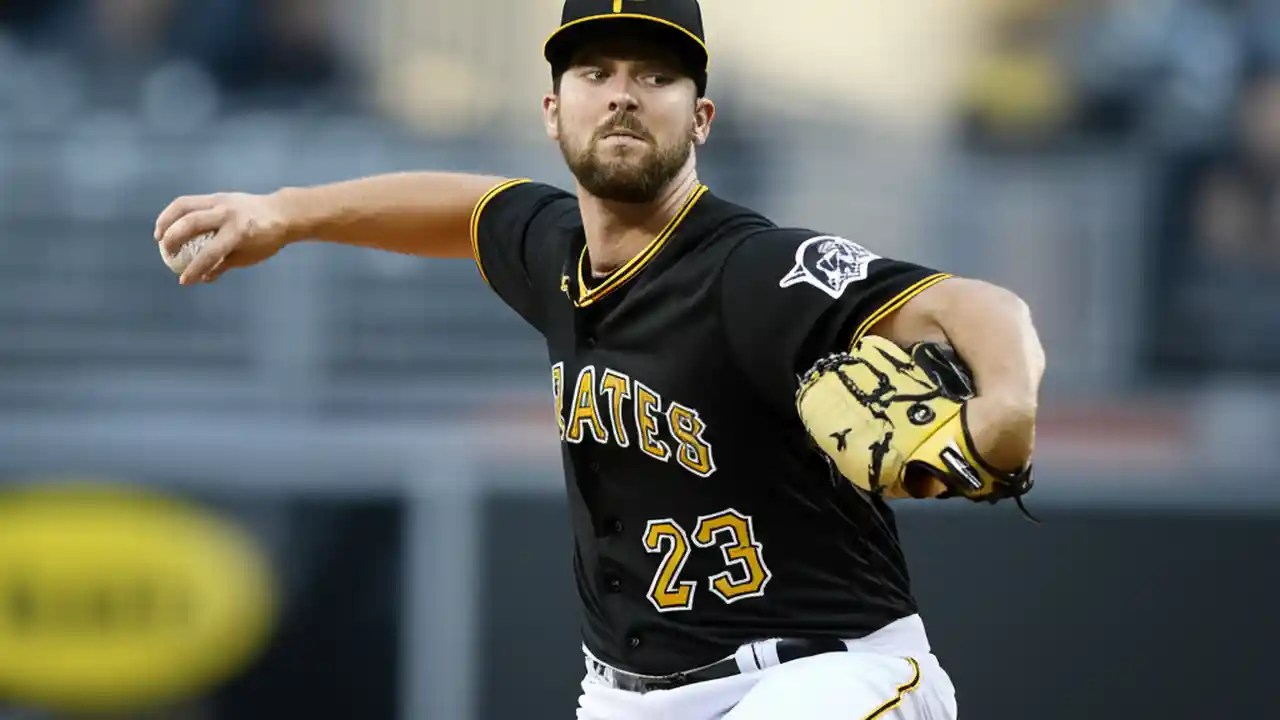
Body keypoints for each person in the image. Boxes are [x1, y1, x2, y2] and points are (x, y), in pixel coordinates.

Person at [153, 1, 1045, 717]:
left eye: (656, 76)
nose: (623, 94)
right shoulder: (554, 252)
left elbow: (977, 305)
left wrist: (1002, 413)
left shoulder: (750, 270)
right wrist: (289, 211)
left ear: (699, 118)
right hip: (626, 692)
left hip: (822, 676)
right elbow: (469, 210)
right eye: (595, 72)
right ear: (554, 110)